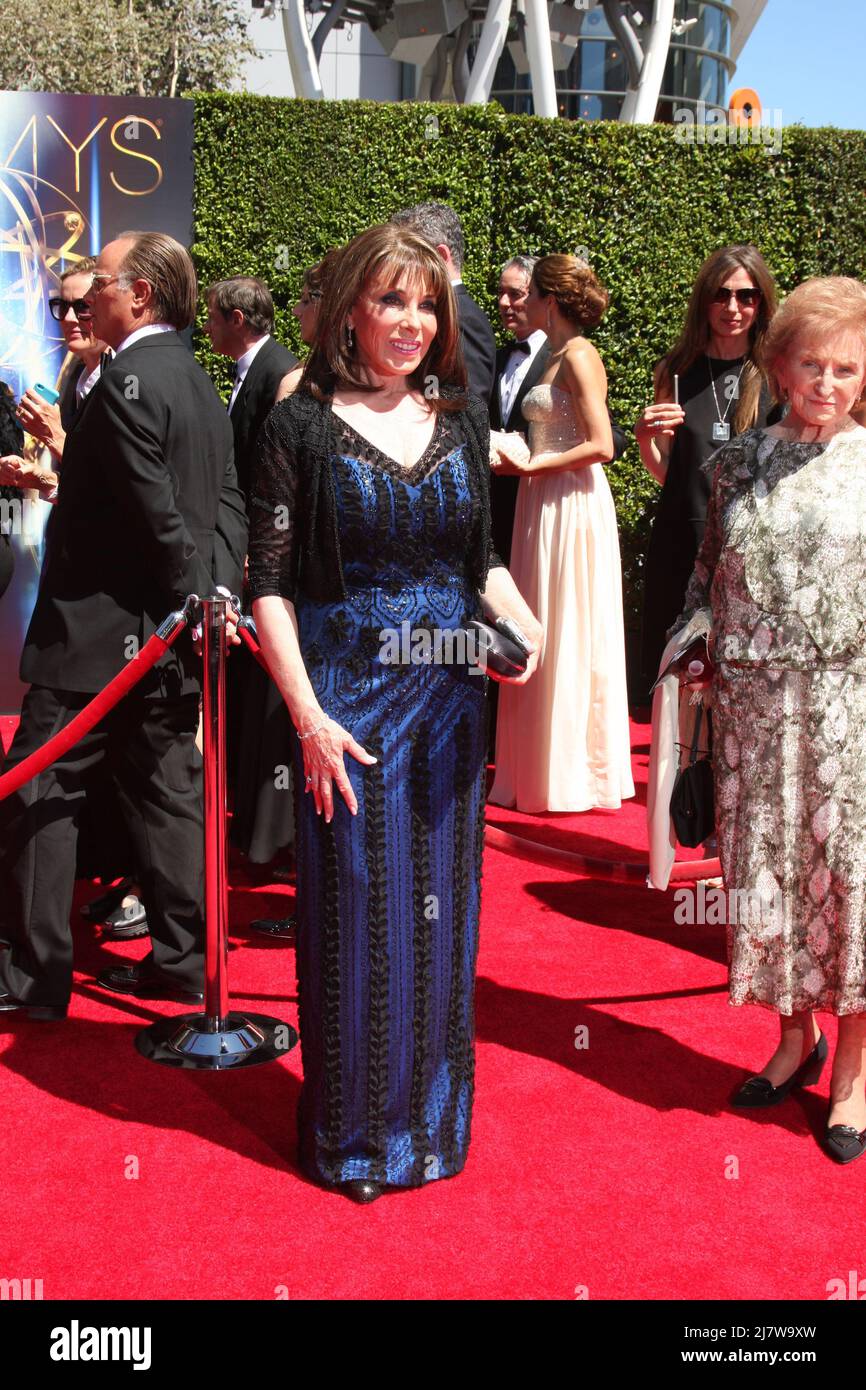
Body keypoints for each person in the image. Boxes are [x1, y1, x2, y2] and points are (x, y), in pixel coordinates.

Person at [247, 221, 541, 1201]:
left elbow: (477, 563)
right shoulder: (298, 423)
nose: (411, 321)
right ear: (351, 312)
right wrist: (307, 716)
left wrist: (518, 621)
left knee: (439, 917)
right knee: (355, 917)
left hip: (451, 702)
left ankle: (430, 1130)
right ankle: (355, 1140)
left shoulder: (458, 418)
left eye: (424, 303)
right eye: (389, 301)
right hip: (347, 707)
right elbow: (270, 585)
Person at [0, 231, 247, 1019]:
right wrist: (216, 600)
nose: (86, 296)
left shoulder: (127, 380)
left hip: (99, 640)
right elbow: (228, 507)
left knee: (39, 789)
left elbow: (156, 519)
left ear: (139, 293)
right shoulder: (199, 382)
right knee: (167, 796)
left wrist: (193, 599)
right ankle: (185, 961)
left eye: (99, 282)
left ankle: (32, 978)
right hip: (170, 638)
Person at [674, 276, 866, 1164]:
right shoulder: (737, 463)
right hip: (756, 715)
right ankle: (795, 1040)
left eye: (846, 368)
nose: (827, 382)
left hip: (851, 713)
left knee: (848, 888)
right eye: (812, 364)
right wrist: (695, 648)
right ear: (781, 365)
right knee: (773, 883)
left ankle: (853, 1075)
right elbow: (706, 577)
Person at [488, 254, 634, 813]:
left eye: (529, 296)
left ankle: (575, 774)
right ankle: (536, 767)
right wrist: (521, 459)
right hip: (540, 501)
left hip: (572, 504)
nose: (518, 304)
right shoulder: (551, 353)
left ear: (550, 299)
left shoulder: (581, 354)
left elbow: (601, 444)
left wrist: (532, 466)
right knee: (539, 620)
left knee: (570, 624)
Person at [637, 244, 779, 687]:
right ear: (704, 300)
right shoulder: (676, 370)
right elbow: (667, 471)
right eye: (721, 295)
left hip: (750, 545)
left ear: (761, 302)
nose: (732, 307)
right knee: (683, 671)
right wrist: (643, 436)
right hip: (683, 538)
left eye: (746, 296)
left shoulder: (776, 376)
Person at [390, 203, 496, 400]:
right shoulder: (450, 310)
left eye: (411, 255)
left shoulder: (463, 317)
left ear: (440, 255)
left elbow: (469, 406)